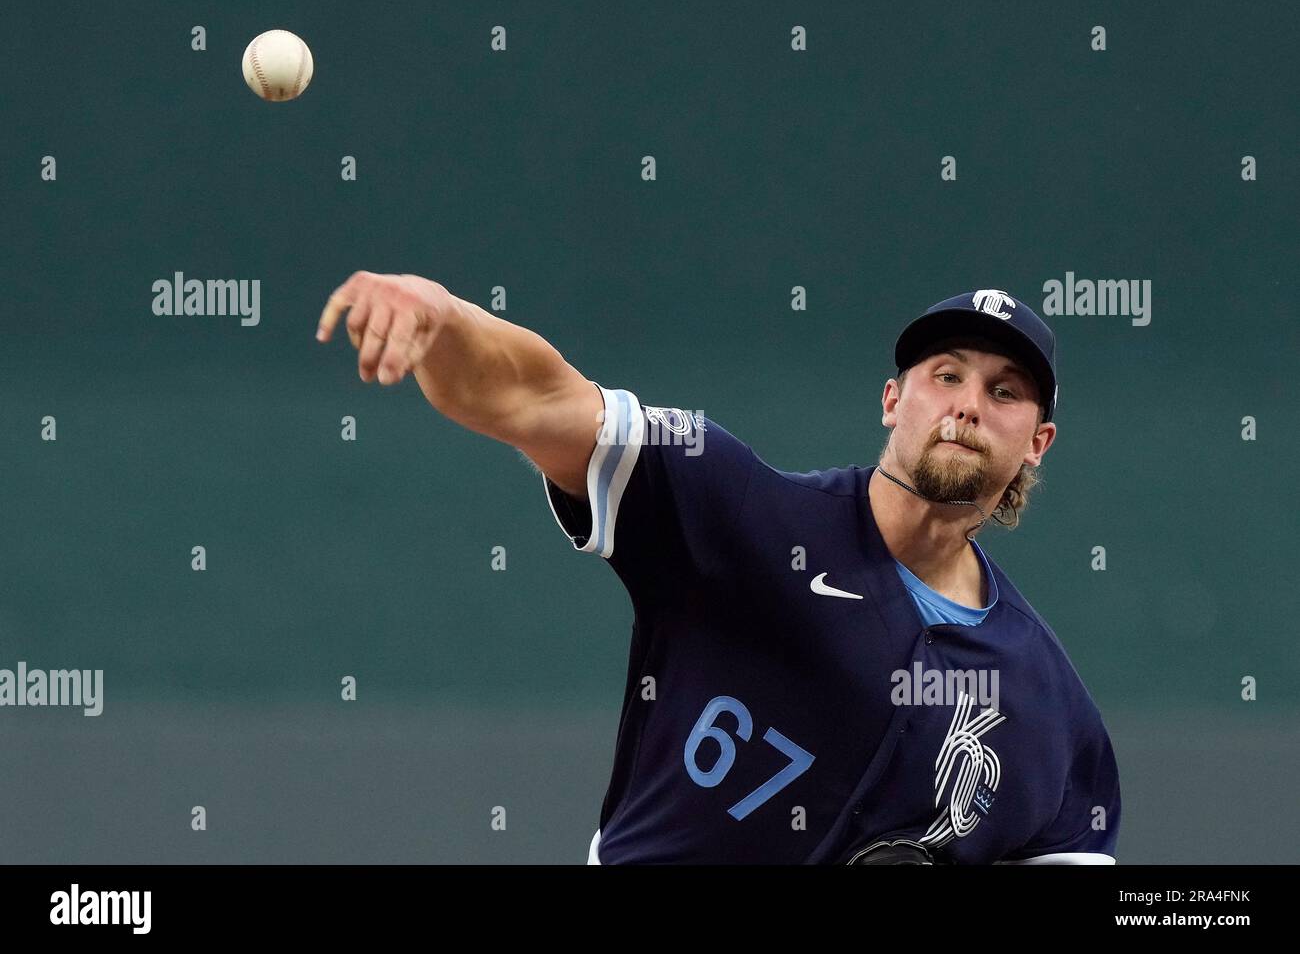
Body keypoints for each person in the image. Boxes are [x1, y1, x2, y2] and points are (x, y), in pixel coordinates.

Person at [317, 277, 1121, 864]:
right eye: (945, 374)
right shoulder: (744, 513)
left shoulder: (1049, 705)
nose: (968, 404)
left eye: (1003, 390)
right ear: (892, 399)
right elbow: (536, 400)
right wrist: (443, 316)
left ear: (1036, 443)